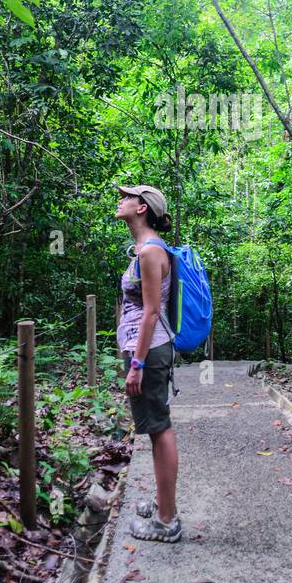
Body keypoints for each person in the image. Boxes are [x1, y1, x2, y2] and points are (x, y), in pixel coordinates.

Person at [114, 184, 181, 543]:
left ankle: (167, 521)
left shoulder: (150, 252)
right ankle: (162, 504)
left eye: (127, 197)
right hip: (147, 350)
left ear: (142, 209)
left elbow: (152, 312)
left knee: (159, 429)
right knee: (157, 430)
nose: (121, 201)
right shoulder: (143, 248)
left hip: (150, 352)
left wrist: (136, 364)